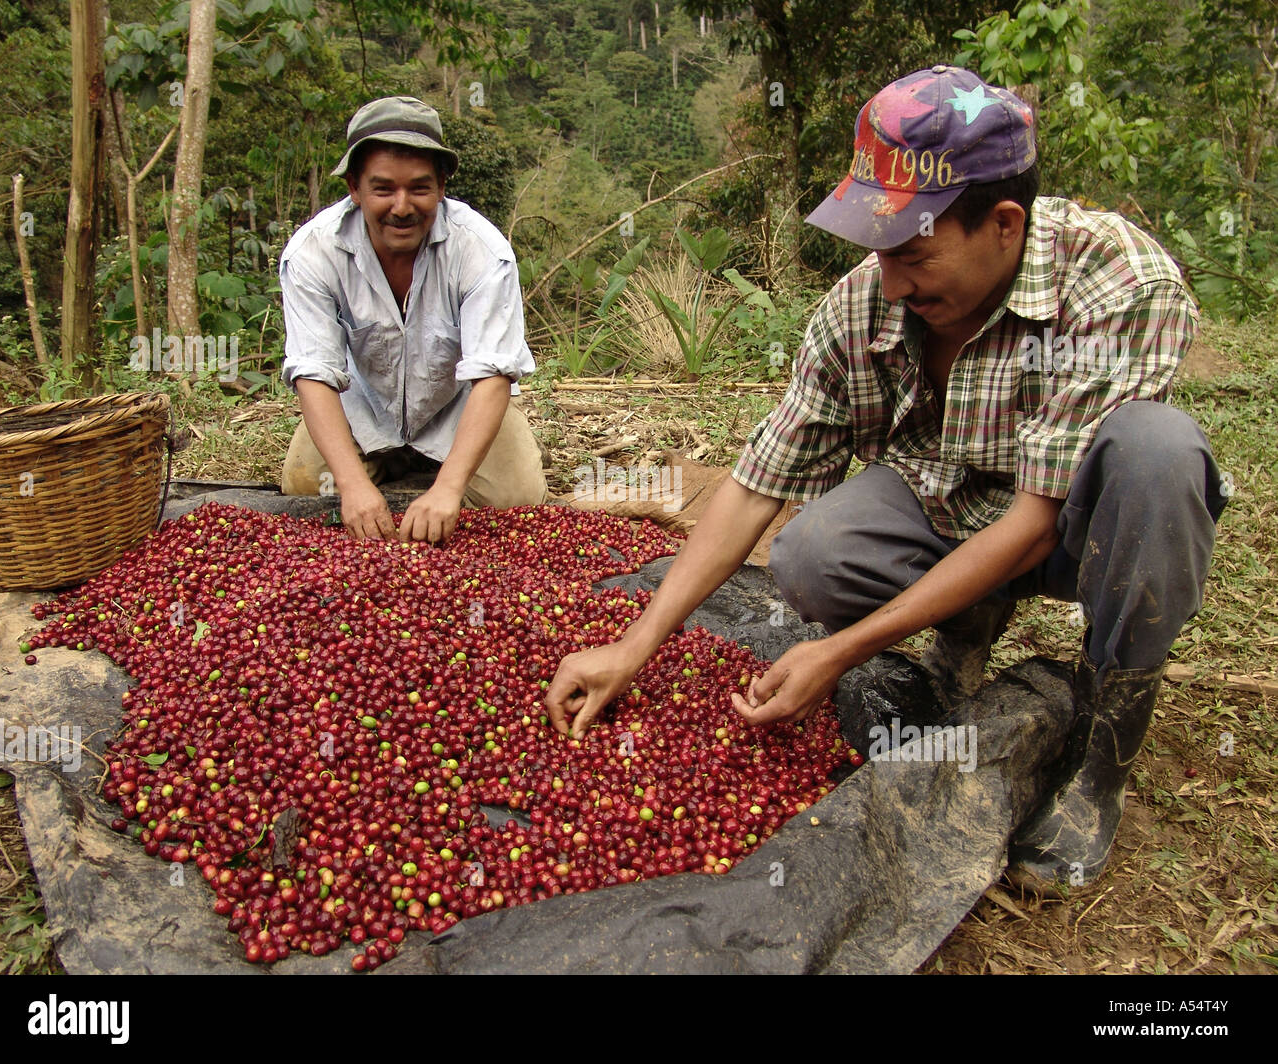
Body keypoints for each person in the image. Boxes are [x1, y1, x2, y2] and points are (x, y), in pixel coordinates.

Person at [545, 66, 1228, 894]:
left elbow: (1038, 521)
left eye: (912, 253)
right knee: (810, 555)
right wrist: (635, 645)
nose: (891, 280)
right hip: (949, 504)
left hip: (1070, 521)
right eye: (878, 249)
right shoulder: (862, 305)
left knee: (1157, 455)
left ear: (1004, 225)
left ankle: (1102, 764)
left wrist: (841, 651)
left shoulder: (1121, 283)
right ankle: (961, 638)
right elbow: (758, 484)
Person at [279, 96, 547, 542]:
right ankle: (384, 462)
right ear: (354, 187)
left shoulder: (481, 250)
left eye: (419, 188)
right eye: (383, 189)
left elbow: (494, 374)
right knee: (307, 487)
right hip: (365, 408)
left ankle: (438, 464)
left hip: (458, 407)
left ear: (442, 186)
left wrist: (448, 489)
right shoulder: (312, 253)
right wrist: (351, 485)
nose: (401, 207)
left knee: (515, 499)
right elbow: (313, 373)